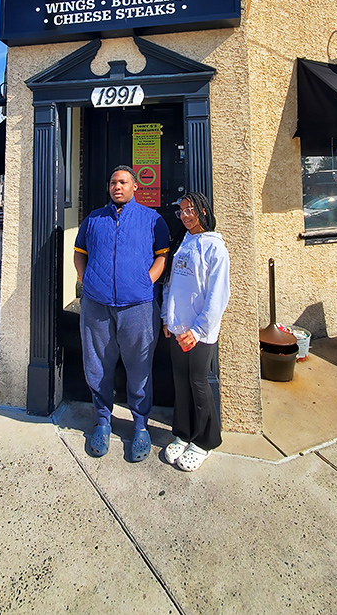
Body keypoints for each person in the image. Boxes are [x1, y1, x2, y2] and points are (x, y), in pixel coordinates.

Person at [74, 165, 170, 462]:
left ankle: (140, 426)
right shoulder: (93, 219)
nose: (118, 186)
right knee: (97, 366)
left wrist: (145, 282)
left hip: (138, 307)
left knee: (139, 368)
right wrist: (86, 280)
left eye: (124, 182)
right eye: (113, 182)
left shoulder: (152, 220)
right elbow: (79, 253)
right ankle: (102, 422)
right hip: (97, 306)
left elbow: (162, 258)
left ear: (135, 187)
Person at [161, 191, 230, 471]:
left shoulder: (216, 248)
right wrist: (167, 317)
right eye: (181, 211)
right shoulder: (183, 242)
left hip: (199, 332)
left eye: (190, 210)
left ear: (203, 211)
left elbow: (218, 295)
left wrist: (199, 330)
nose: (185, 216)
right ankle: (183, 433)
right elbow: (171, 283)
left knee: (198, 383)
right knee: (180, 382)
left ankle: (205, 440)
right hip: (178, 327)